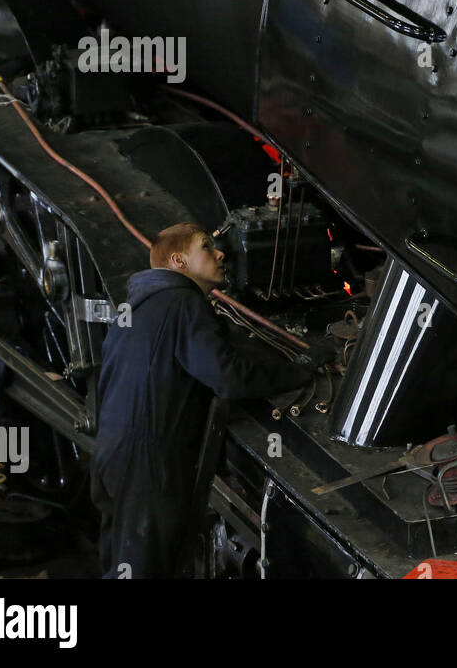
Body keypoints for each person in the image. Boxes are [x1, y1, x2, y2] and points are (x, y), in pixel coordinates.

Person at [90, 221, 311, 578]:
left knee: (122, 564)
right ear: (178, 261)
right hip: (149, 463)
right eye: (207, 247)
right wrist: (298, 371)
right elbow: (228, 376)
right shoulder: (182, 302)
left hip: (114, 455)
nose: (220, 253)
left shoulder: (139, 306)